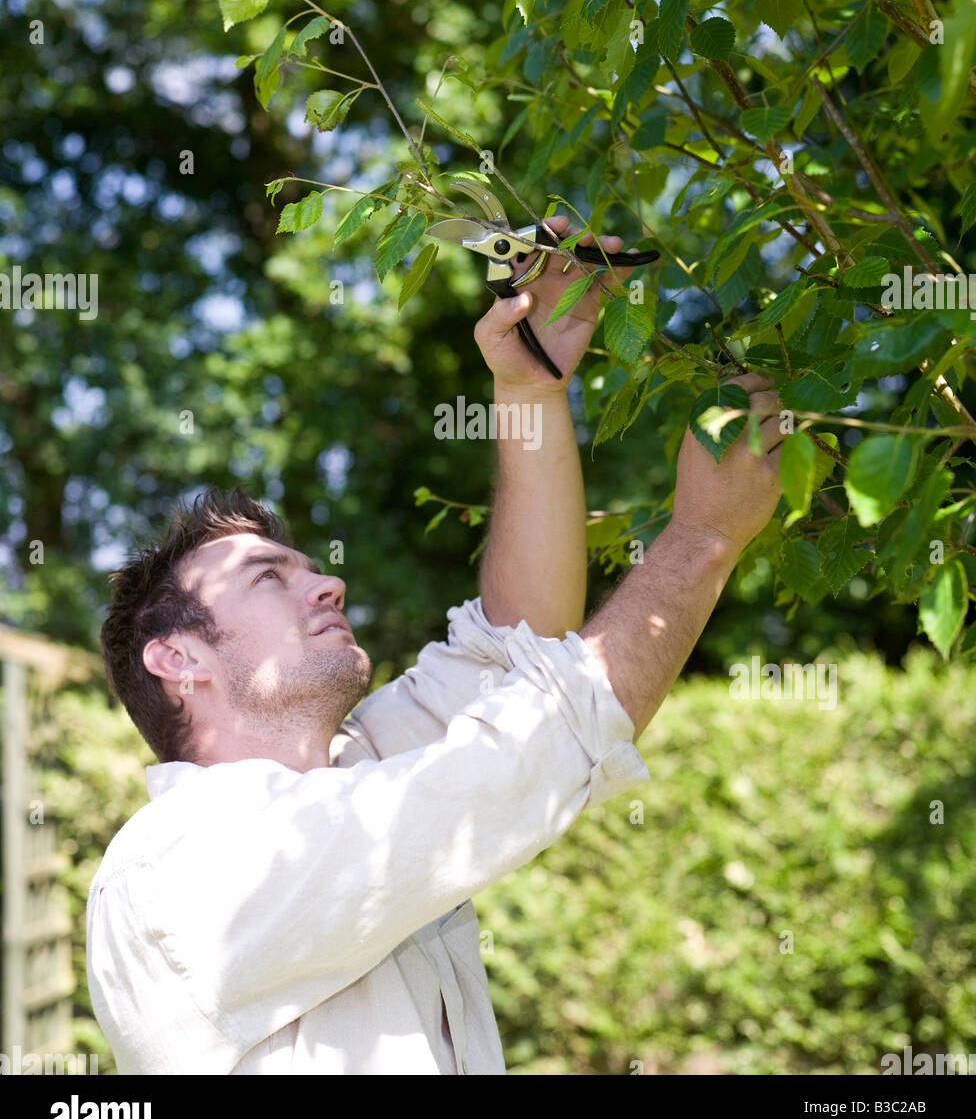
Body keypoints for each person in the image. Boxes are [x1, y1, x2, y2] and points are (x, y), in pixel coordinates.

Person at [87, 219, 786, 1074]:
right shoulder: (183, 864)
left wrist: (529, 394)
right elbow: (515, 759)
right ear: (178, 660)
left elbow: (516, 647)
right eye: (269, 577)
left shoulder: (353, 771)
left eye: (309, 569)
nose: (328, 584)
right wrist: (701, 540)